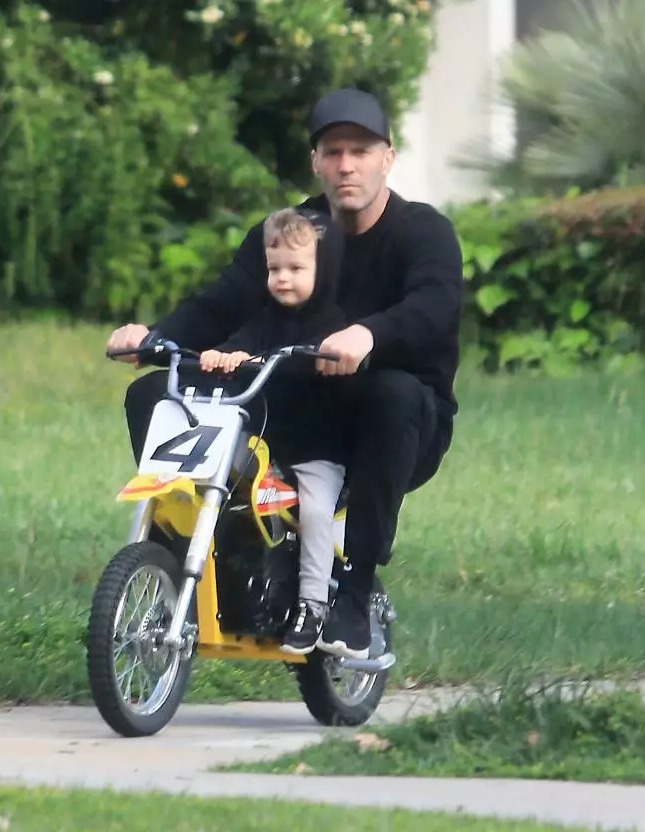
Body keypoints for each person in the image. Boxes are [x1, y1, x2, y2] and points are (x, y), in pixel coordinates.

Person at [107, 87, 464, 660]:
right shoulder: (290, 232)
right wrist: (154, 337)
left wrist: (368, 334)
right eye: (333, 151)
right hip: (289, 407)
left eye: (361, 150)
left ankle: (353, 591)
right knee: (154, 393)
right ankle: (194, 552)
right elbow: (221, 303)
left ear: (388, 157)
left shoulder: (424, 232)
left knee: (394, 394)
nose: (347, 164)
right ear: (316, 162)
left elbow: (434, 304)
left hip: (389, 426)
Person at [199, 205, 350, 655]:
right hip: (268, 441)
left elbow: (328, 362)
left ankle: (313, 604)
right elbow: (243, 340)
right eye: (274, 268)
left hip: (318, 448)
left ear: (320, 270)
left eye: (296, 268)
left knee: (315, 511)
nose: (283, 278)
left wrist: (311, 358)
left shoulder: (332, 322)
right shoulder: (266, 315)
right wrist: (223, 355)